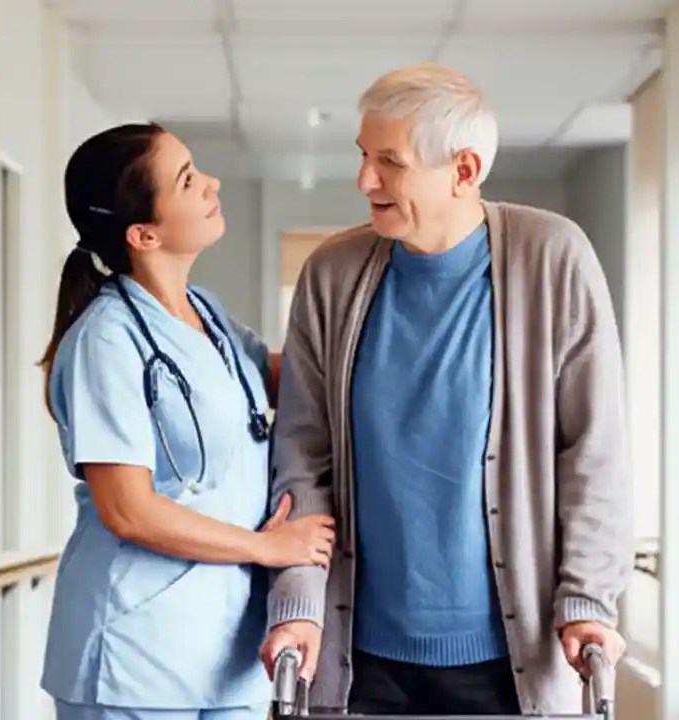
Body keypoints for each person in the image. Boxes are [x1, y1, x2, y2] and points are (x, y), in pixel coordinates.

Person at [259, 64, 634, 715]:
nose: (364, 180)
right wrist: (298, 604)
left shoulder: (551, 258)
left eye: (389, 162)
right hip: (362, 660)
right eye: (363, 156)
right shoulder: (333, 276)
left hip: (510, 664)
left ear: (463, 171)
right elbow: (301, 453)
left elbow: (594, 451)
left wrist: (588, 597)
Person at [38, 123, 336, 720]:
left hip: (224, 656)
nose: (211, 183)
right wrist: (266, 547)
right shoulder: (107, 339)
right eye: (188, 179)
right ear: (144, 233)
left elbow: (302, 378)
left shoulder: (206, 314)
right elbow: (128, 508)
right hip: (134, 653)